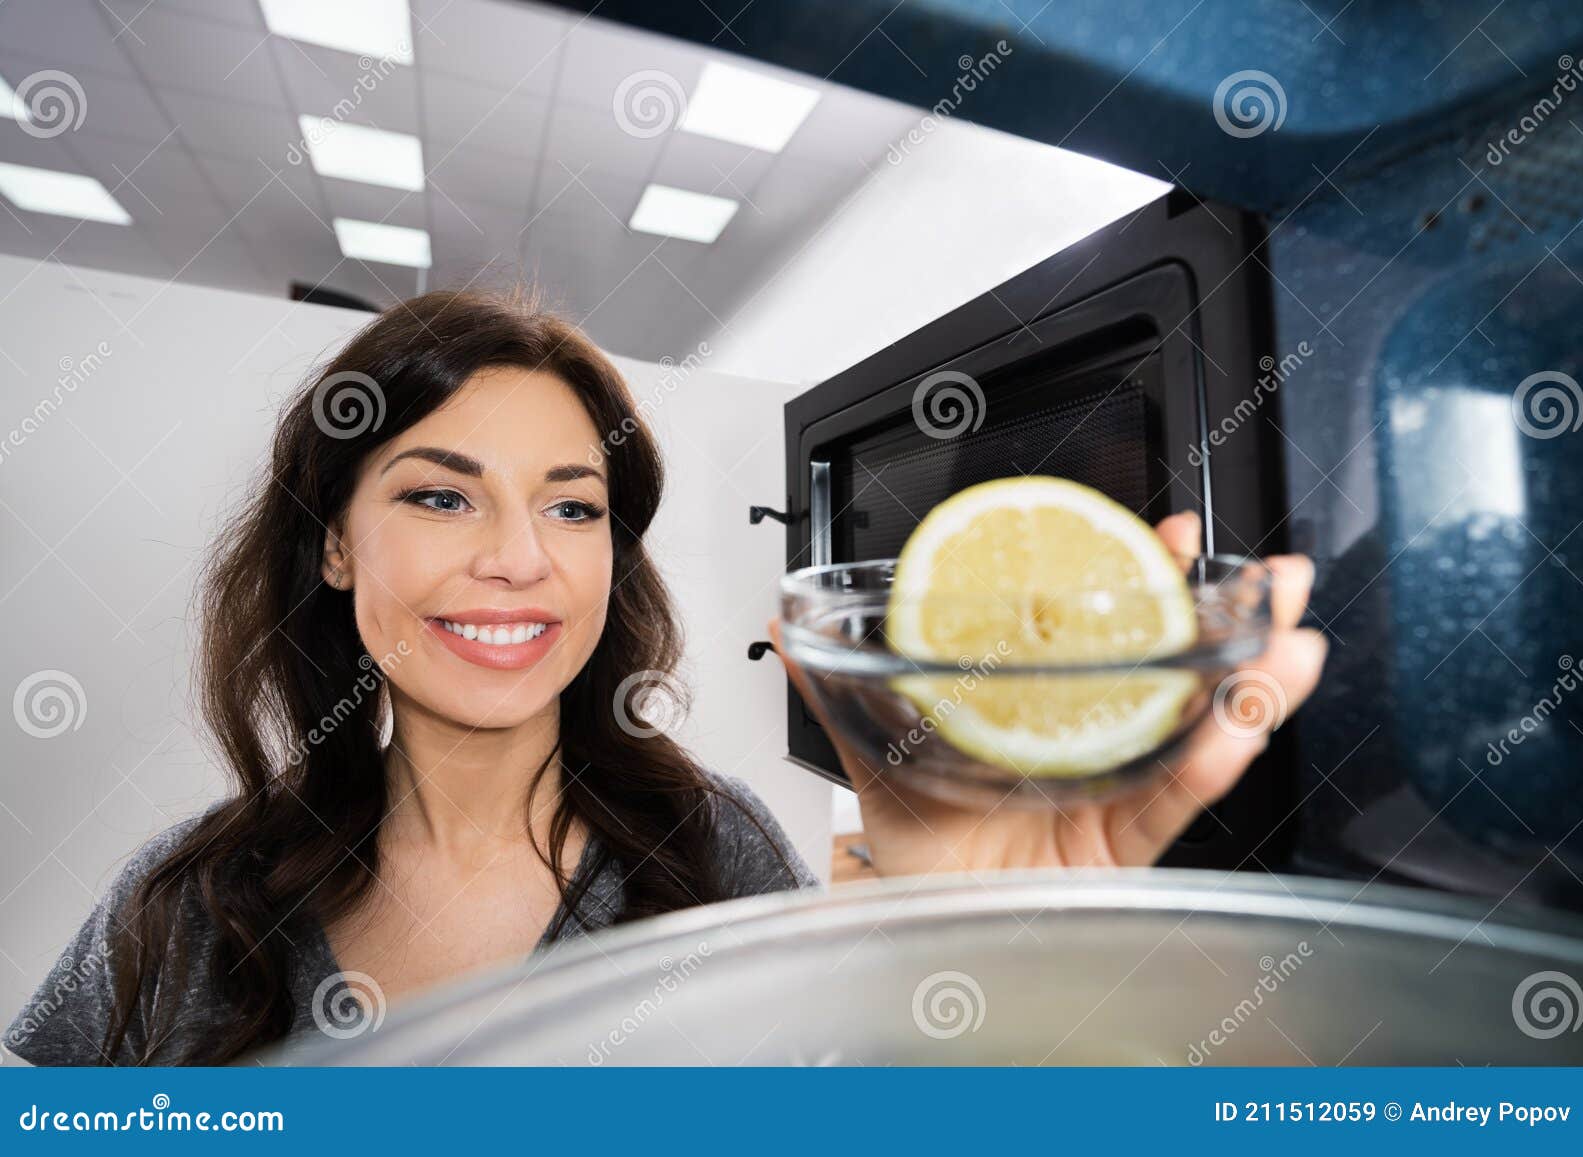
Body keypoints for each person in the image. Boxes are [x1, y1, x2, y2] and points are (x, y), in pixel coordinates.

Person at [3, 288, 1325, 1066]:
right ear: (337, 542)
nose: (520, 559)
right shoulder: (181, 901)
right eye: (442, 496)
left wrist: (1003, 981)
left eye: (573, 509)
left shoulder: (710, 854)